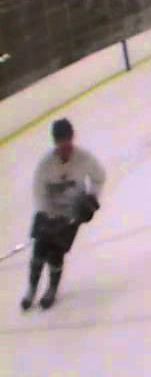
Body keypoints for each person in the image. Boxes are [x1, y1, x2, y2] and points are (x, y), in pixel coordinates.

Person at [21, 119, 105, 311]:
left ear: (72, 137)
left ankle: (52, 288)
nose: (64, 144)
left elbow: (99, 176)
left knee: (56, 253)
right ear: (55, 142)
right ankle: (31, 289)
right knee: (39, 251)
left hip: (71, 215)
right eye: (60, 141)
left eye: (67, 139)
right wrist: (45, 214)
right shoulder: (45, 165)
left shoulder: (84, 158)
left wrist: (91, 198)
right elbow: (38, 189)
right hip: (48, 213)